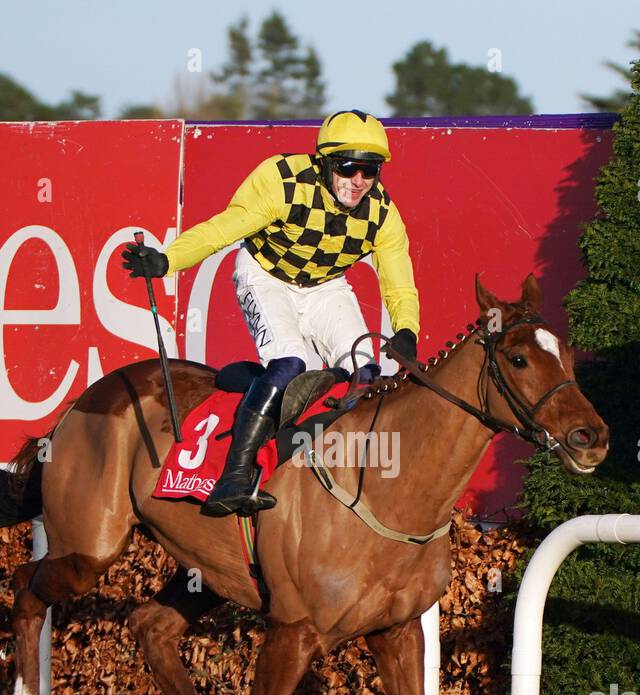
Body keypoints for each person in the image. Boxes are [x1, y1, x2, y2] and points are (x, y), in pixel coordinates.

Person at [122, 109, 421, 517]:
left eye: (370, 171)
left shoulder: (383, 214)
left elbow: (398, 281)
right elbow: (223, 229)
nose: (358, 181)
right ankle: (234, 476)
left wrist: (406, 329)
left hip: (325, 287)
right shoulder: (283, 182)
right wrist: (169, 260)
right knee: (290, 364)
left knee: (365, 375)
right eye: (349, 167)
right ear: (326, 162)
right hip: (265, 277)